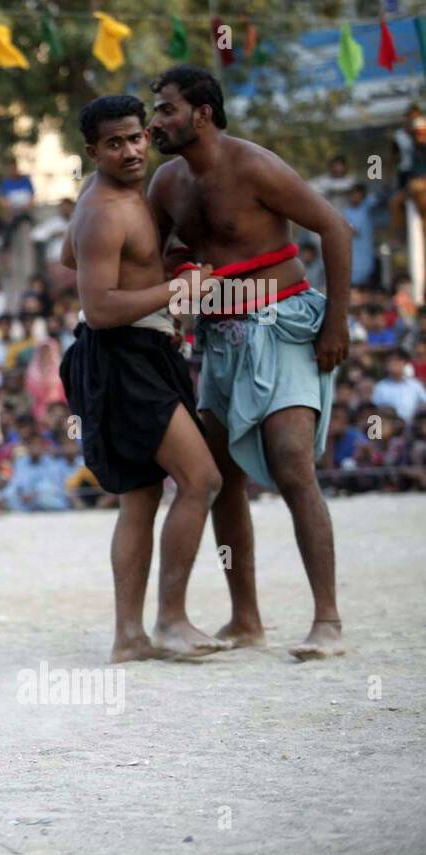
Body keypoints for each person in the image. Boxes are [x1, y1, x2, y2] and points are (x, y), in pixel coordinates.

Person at [147, 66, 352, 659]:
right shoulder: (166, 184)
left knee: (293, 466)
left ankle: (328, 622)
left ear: (202, 112)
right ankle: (246, 618)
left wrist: (336, 323)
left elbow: (334, 228)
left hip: (285, 326)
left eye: (165, 110)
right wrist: (179, 276)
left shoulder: (255, 165)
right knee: (222, 477)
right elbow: (155, 257)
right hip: (219, 338)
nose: (156, 121)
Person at [59, 96, 225, 662]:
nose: (129, 151)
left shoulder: (112, 196)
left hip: (145, 350)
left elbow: (65, 252)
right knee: (200, 479)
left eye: (135, 139)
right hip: (120, 353)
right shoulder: (106, 208)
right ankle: (171, 622)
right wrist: (179, 289)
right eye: (114, 144)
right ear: (93, 151)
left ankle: (129, 637)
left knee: (140, 494)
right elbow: (100, 306)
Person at [372, 349, 426, 424]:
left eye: (398, 360)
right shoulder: (380, 386)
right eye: (391, 360)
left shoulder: (415, 385)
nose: (395, 363)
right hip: (388, 429)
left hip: (412, 428)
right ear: (386, 364)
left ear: (405, 363)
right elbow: (375, 409)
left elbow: (424, 403)